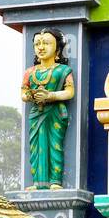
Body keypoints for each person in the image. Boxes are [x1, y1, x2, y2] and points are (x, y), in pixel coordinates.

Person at [20, 27, 75, 189]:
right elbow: (23, 93)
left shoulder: (63, 70)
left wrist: (50, 96)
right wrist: (29, 96)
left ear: (57, 48)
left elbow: (70, 92)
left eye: (46, 43)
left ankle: (55, 181)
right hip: (37, 113)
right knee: (36, 147)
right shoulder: (30, 72)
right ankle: (39, 182)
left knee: (54, 146)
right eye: (37, 44)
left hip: (55, 113)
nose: (41, 47)